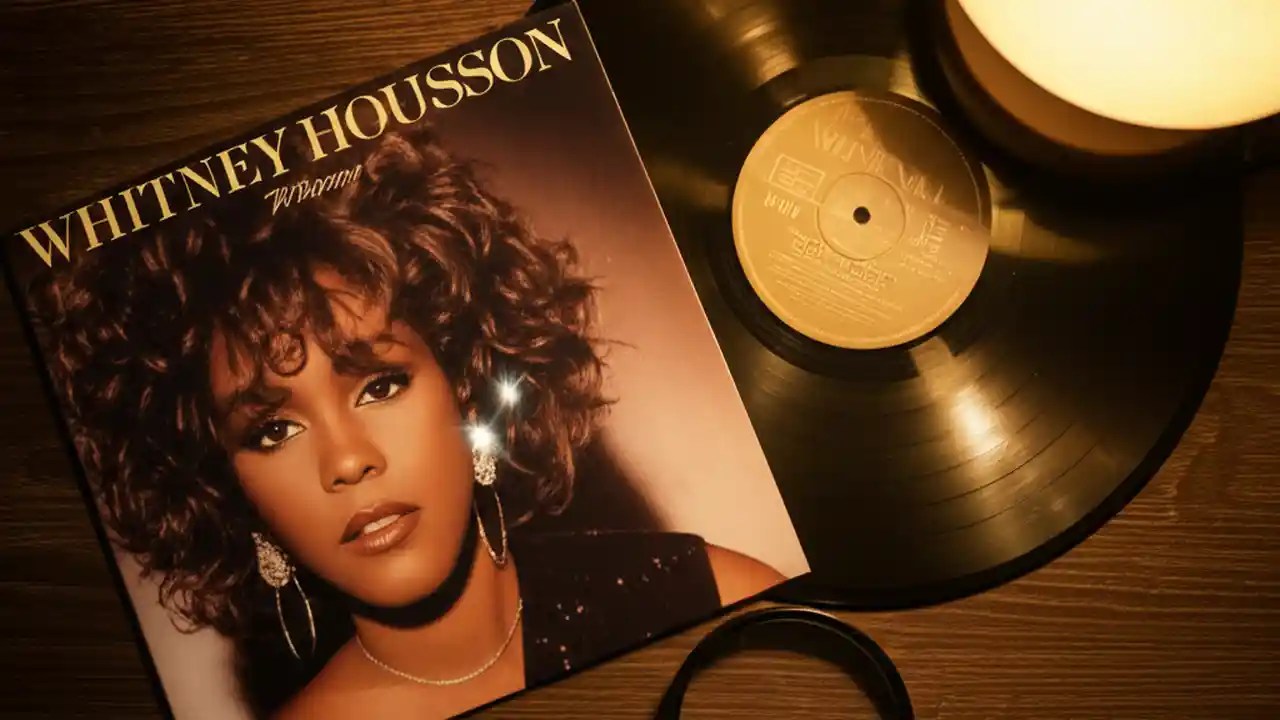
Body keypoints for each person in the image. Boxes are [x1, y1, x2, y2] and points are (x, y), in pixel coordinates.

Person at [33, 122, 784, 719]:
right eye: (273, 430)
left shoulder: (705, 592)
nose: (348, 460)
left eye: (379, 385)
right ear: (228, 491)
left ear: (463, 380)